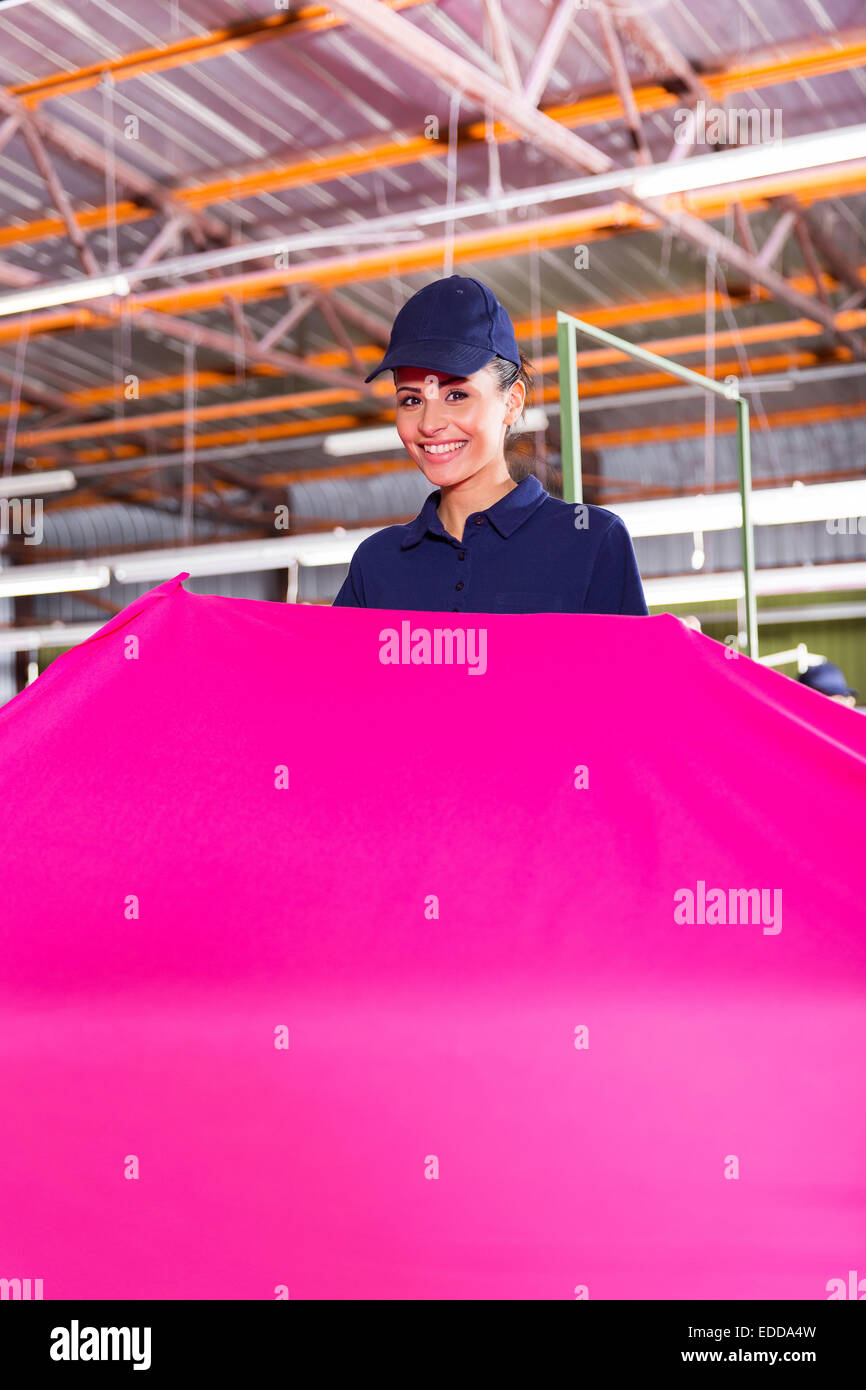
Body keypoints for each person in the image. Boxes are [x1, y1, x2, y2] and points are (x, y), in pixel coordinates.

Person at [332, 275, 648, 615]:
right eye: (411, 400)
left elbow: (632, 669)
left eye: (456, 395)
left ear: (512, 403)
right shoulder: (377, 564)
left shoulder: (591, 543)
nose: (429, 423)